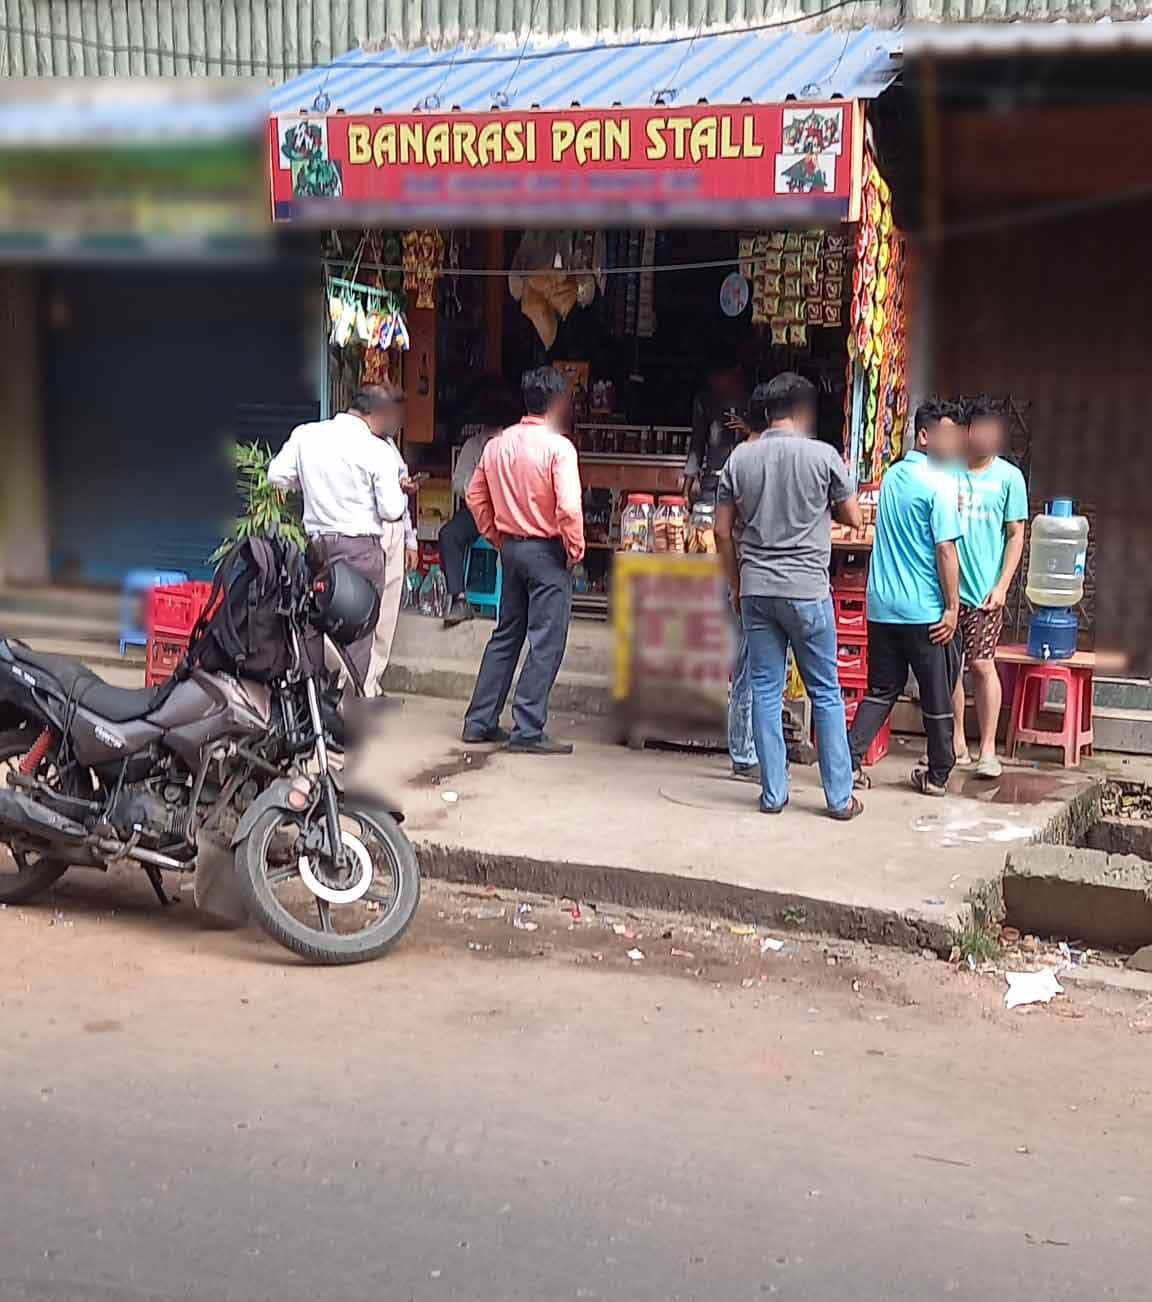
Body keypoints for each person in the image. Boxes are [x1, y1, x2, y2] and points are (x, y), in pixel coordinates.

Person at [716, 373, 864, 819]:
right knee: (826, 692)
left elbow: (721, 531)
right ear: (804, 412)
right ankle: (839, 798)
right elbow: (854, 517)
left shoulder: (740, 459)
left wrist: (737, 585)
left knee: (765, 689)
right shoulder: (823, 457)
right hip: (807, 590)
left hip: (757, 589)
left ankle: (773, 793)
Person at [462, 366, 585, 755]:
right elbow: (567, 506)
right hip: (546, 551)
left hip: (511, 549)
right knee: (546, 640)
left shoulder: (497, 444)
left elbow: (474, 496)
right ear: (560, 402)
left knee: (507, 634)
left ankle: (479, 721)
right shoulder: (558, 447)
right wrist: (575, 550)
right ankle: (528, 728)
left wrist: (496, 536)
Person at [848, 398, 965, 797]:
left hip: (882, 606)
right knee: (936, 693)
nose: (952, 446)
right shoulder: (940, 482)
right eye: (947, 436)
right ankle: (937, 775)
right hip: (924, 611)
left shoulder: (892, 477)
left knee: (882, 689)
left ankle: (848, 761)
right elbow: (946, 550)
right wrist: (952, 607)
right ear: (924, 436)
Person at [268, 383, 408, 686]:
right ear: (375, 413)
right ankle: (348, 712)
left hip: (318, 550)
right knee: (357, 633)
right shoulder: (376, 449)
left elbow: (276, 475)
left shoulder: (306, 434)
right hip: (360, 552)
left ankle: (315, 702)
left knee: (316, 625)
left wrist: (310, 485)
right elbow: (392, 509)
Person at [949, 396, 1029, 780]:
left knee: (982, 665)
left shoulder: (1009, 477)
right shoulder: (948, 472)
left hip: (984, 593)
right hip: (945, 591)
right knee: (948, 670)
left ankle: (987, 749)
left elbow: (1016, 535)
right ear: (967, 431)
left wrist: (1003, 586)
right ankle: (956, 743)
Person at [440, 379, 523, 628]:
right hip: (477, 512)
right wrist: (476, 495)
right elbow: (458, 482)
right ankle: (459, 599)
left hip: (509, 513)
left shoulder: (517, 446)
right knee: (448, 535)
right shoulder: (473, 445)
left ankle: (516, 606)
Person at [367, 406, 421, 695]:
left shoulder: (390, 448)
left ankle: (372, 683)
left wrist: (410, 539)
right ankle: (359, 684)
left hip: (394, 528)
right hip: (371, 531)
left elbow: (399, 498)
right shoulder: (359, 446)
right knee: (367, 610)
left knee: (386, 612)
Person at [682, 360, 749, 506]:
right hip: (713, 483)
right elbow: (697, 444)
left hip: (745, 483)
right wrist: (686, 491)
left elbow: (768, 440)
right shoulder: (706, 400)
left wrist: (748, 431)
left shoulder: (750, 399)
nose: (716, 382)